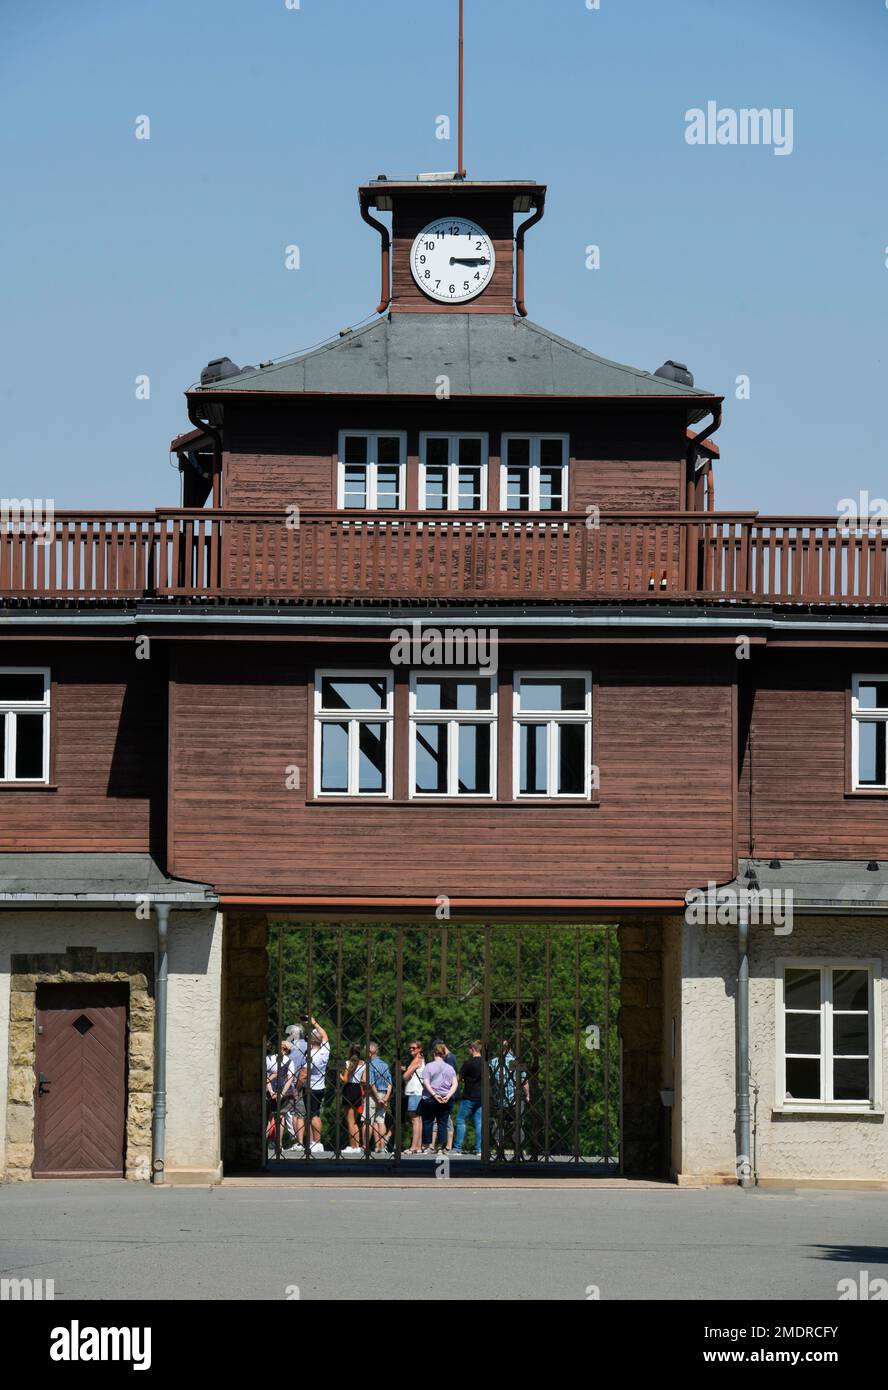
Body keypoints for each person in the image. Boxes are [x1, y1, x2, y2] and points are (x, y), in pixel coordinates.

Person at [490, 1038, 530, 1154]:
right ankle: (518, 1148)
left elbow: (489, 1079)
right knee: (517, 1123)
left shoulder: (494, 1062)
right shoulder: (516, 1062)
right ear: (511, 1048)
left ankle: (499, 1146)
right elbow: (524, 1081)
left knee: (498, 1123)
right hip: (515, 1099)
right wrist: (527, 1095)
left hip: (499, 1099)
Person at [354, 1041, 392, 1153]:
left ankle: (365, 1146)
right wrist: (385, 1097)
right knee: (381, 1121)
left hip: (372, 1095)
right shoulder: (385, 1064)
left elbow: (371, 1083)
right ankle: (382, 1146)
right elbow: (390, 1083)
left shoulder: (370, 1064)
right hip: (384, 1094)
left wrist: (377, 1098)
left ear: (370, 1053)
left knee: (367, 1121)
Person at [420, 1043, 458, 1153]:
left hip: (430, 1098)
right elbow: (455, 1084)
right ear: (444, 1054)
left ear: (434, 1053)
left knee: (427, 1121)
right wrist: (448, 1096)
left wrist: (434, 1095)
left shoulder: (429, 1066)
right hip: (445, 1098)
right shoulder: (450, 1068)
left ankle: (427, 1146)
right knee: (443, 1122)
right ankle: (442, 1147)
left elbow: (426, 1083)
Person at [453, 1040, 484, 1156]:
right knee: (479, 1123)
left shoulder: (468, 1063)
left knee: (461, 1120)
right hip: (481, 1097)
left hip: (468, 1096)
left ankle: (457, 1148)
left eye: (469, 1049)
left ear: (472, 1049)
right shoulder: (485, 1063)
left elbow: (458, 1078)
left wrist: (462, 1079)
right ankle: (479, 1149)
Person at [306, 1017, 330, 1153]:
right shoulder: (324, 1051)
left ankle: (317, 1142)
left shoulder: (312, 1055)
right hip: (320, 1086)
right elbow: (325, 1035)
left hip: (311, 1087)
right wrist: (314, 1023)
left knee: (313, 1115)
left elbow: (305, 1072)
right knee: (313, 1114)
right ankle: (313, 1141)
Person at [433, 1038, 459, 1151]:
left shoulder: (449, 1058)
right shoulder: (449, 1057)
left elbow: (450, 1077)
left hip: (447, 1093)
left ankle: (446, 1144)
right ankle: (443, 1144)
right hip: (446, 1092)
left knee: (445, 1119)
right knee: (444, 1118)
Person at [401, 1040, 426, 1154]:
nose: (411, 1050)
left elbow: (405, 1076)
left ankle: (413, 1147)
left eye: (414, 1048)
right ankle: (418, 1146)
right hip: (419, 1092)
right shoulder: (422, 1060)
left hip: (414, 1091)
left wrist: (405, 1071)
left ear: (420, 1049)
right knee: (419, 1120)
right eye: (410, 1048)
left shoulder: (416, 1060)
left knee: (414, 1120)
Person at [339, 1042, 364, 1154]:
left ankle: (352, 1146)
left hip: (349, 1089)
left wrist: (338, 1074)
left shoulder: (348, 1063)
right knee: (355, 1121)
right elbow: (365, 1080)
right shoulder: (364, 1063)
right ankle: (357, 1146)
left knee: (349, 1121)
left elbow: (344, 1079)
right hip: (358, 1090)